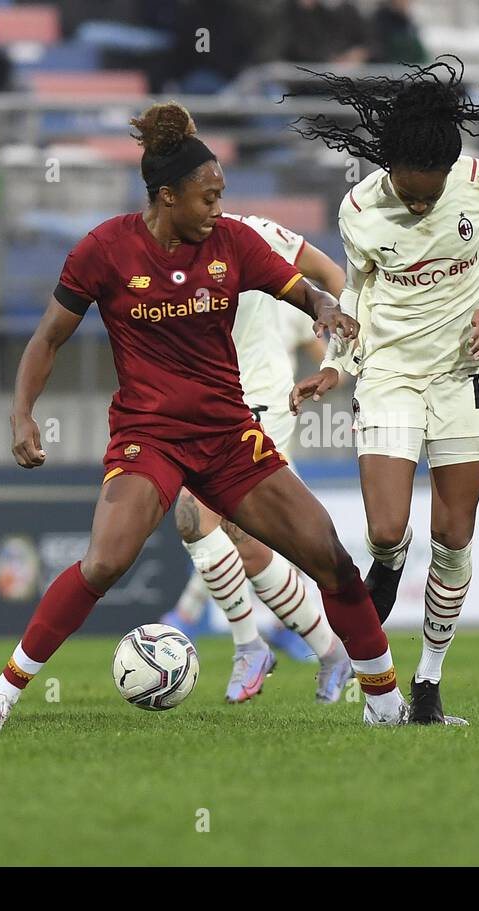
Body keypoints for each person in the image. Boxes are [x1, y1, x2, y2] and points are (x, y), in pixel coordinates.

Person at [0, 102, 410, 733]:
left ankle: (386, 704)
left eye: (221, 195)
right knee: (105, 563)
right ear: (167, 197)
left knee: (331, 557)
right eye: (207, 198)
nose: (217, 208)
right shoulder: (105, 249)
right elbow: (48, 337)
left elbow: (302, 288)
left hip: (230, 436)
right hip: (151, 439)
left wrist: (324, 310)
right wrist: (22, 414)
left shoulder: (234, 244)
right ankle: (1, 696)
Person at [289, 57, 479, 724]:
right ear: (391, 168)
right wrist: (337, 364)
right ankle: (388, 562)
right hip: (392, 372)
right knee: (386, 528)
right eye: (411, 193)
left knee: (455, 536)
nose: (421, 204)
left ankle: (427, 685)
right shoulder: (359, 210)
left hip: (463, 373)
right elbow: (357, 292)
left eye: (431, 196)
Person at [161, 212, 354, 705]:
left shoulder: (258, 236)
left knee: (195, 516)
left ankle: (247, 644)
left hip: (261, 402)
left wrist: (341, 359)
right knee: (243, 544)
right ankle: (329, 650)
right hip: (205, 402)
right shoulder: (158, 244)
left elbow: (330, 279)